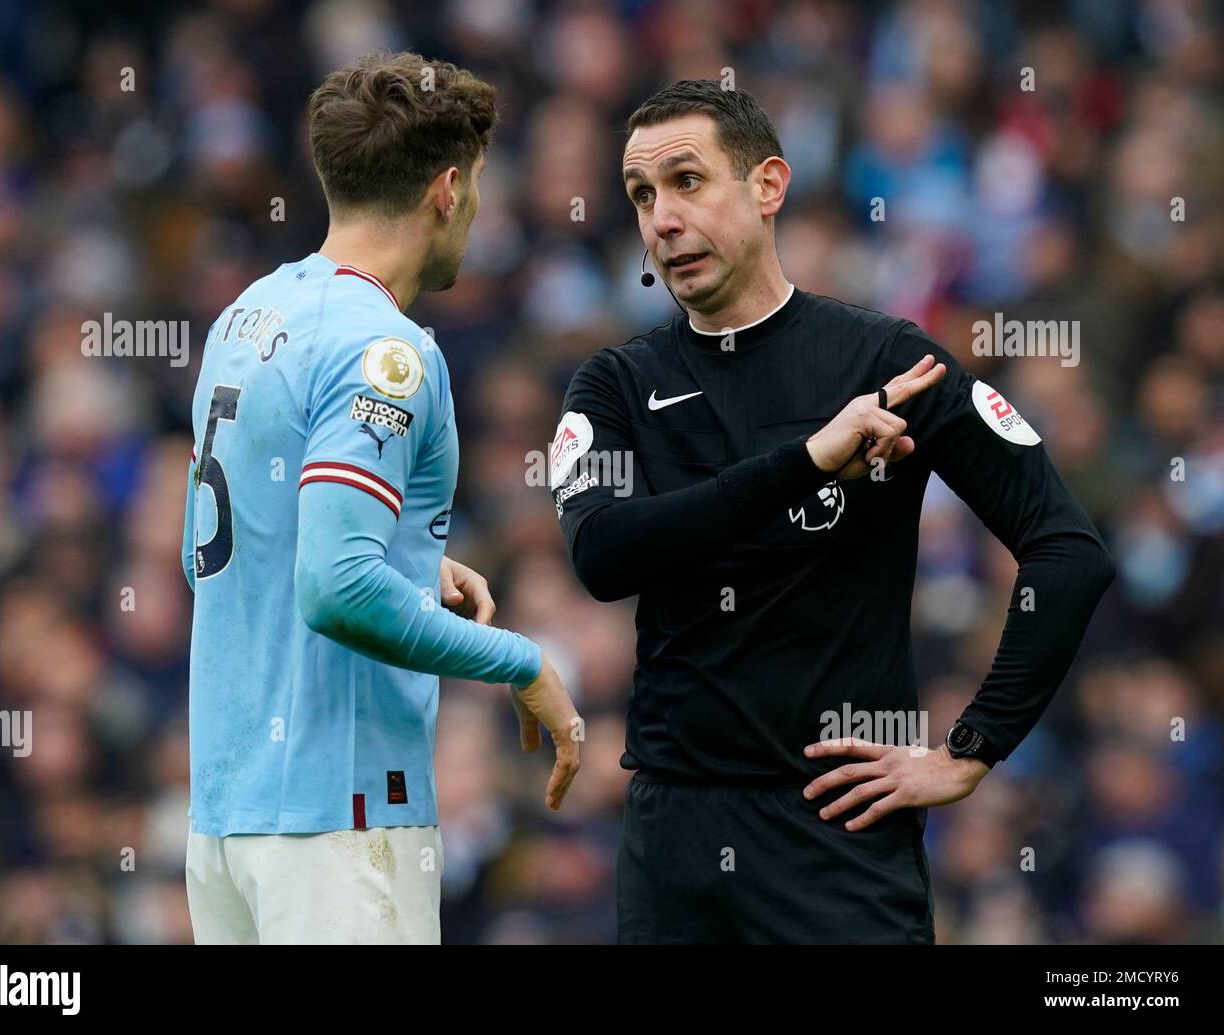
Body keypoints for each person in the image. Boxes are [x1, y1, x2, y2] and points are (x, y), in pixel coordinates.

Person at [550, 80, 1114, 943]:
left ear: (768, 186)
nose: (662, 218)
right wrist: (809, 461)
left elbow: (1067, 548)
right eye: (641, 195)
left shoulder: (889, 361)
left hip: (838, 841)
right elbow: (602, 554)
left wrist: (971, 748)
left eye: (688, 181)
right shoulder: (617, 383)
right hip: (675, 846)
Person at [182, 51, 580, 945]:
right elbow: (334, 588)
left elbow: (207, 548)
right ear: (447, 189)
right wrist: (519, 661)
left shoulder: (250, 314)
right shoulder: (387, 354)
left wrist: (406, 558)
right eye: (475, 185)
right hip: (341, 823)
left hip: (225, 819)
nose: (476, 209)